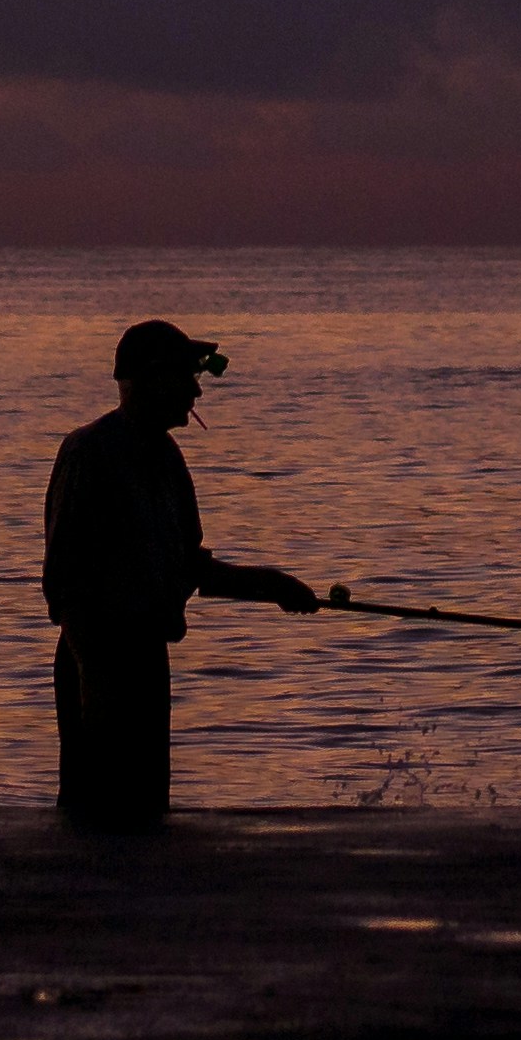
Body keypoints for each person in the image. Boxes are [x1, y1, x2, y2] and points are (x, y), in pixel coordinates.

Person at [40, 317, 317, 828]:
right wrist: (93, 678)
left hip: (146, 655)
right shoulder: (87, 452)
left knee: (146, 811)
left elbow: (192, 568)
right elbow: (66, 581)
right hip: (97, 655)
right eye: (186, 377)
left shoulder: (166, 457)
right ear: (148, 379)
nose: (195, 390)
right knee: (92, 812)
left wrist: (273, 585)